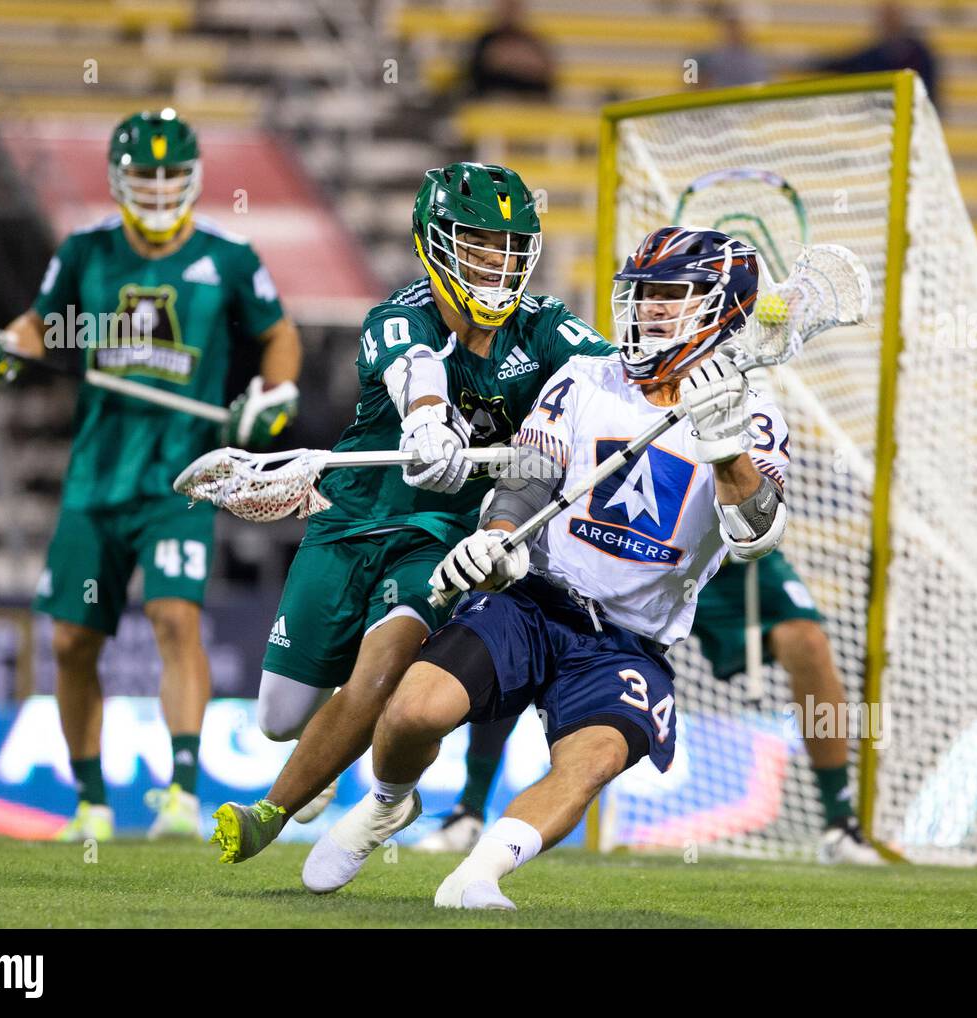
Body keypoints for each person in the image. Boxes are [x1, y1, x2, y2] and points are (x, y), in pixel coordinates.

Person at [303, 226, 790, 909]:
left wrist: (725, 448)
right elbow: (532, 472)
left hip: (627, 637)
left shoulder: (755, 414)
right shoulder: (587, 374)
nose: (649, 309)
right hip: (533, 598)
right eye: (643, 293)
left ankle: (477, 875)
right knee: (415, 712)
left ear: (724, 308)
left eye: (671, 295)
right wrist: (499, 536)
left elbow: (755, 535)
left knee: (591, 760)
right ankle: (386, 803)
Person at [208, 162, 612, 863]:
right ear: (434, 241)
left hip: (439, 533)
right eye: (478, 246)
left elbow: (614, 381)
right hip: (349, 524)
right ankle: (327, 750)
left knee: (386, 661)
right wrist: (428, 423)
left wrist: (683, 373)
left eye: (509, 249)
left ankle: (294, 804)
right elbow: (418, 369)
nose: (495, 265)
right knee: (278, 716)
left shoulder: (544, 329)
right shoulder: (398, 316)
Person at [0, 109, 302, 841]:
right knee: (72, 641)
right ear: (117, 180)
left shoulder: (229, 256)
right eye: (143, 177)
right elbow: (39, 327)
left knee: (175, 617)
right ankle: (90, 803)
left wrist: (272, 399)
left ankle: (179, 794)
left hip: (182, 476)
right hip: (95, 479)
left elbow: (279, 336)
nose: (156, 190)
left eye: (169, 176)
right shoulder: (84, 250)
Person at [419, 551, 879, 865]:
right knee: (526, 632)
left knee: (809, 641)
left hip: (716, 544)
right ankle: (470, 811)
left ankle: (841, 824)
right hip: (625, 534)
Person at [813, 3, 941, 112]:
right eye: (885, 19)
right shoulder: (875, 53)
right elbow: (843, 63)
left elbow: (928, 88)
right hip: (884, 118)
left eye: (891, 18)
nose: (887, 23)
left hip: (913, 116)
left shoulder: (918, 53)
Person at [467, 0, 555, 99]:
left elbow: (546, 75)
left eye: (513, 6)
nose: (510, 11)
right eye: (507, 6)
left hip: (528, 104)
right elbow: (476, 74)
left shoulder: (533, 41)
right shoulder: (486, 39)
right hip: (494, 103)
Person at [697, 3, 770, 89]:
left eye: (738, 26)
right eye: (731, 26)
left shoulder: (757, 57)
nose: (734, 31)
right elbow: (695, 72)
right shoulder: (713, 55)